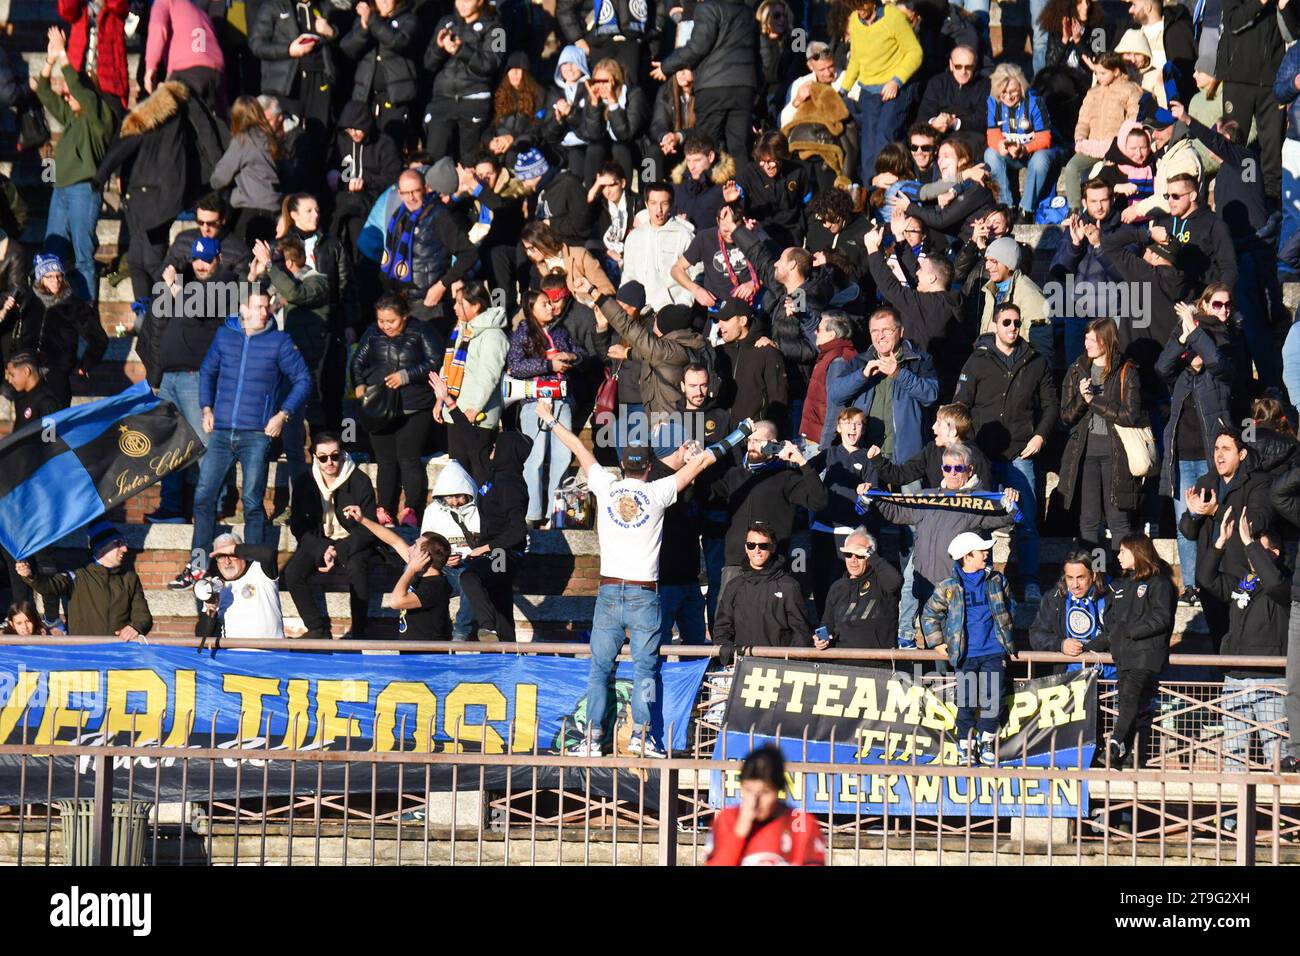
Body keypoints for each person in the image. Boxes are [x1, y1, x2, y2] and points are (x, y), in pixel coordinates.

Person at [539, 409, 723, 758]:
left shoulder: (606, 485)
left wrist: (550, 419)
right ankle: (641, 735)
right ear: (649, 467)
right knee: (645, 671)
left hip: (609, 591)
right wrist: (740, 434)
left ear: (623, 468)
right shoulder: (656, 493)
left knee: (600, 670)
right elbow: (700, 465)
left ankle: (592, 738)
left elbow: (578, 445)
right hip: (644, 593)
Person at [171, 288, 311, 589]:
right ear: (243, 309)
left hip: (256, 434)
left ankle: (258, 568)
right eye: (259, 307)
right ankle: (198, 567)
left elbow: (303, 380)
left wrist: (282, 415)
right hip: (221, 431)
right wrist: (206, 408)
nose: (265, 312)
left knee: (252, 501)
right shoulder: (225, 336)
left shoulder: (279, 341)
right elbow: (207, 371)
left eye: (267, 307)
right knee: (204, 496)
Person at [954, 302, 1060, 602]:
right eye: (1006, 322)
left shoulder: (1036, 361)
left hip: (1020, 453)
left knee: (1025, 522)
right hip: (982, 457)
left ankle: (1029, 582)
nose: (1012, 327)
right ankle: (978, 583)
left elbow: (1052, 405)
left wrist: (1040, 436)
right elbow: (961, 404)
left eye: (1016, 322)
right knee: (978, 522)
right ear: (995, 325)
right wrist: (968, 446)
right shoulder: (976, 361)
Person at [862, 442, 1018, 642]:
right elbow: (896, 511)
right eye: (947, 468)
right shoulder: (927, 497)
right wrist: (872, 495)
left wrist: (1011, 502)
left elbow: (1004, 516)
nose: (952, 473)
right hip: (926, 589)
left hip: (957, 594)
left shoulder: (978, 500)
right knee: (933, 658)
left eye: (957, 468)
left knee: (954, 657)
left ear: (969, 470)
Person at [428, 370, 534, 642]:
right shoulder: (489, 473)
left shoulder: (512, 485)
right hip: (491, 550)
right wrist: (450, 401)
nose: (490, 449)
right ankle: (506, 646)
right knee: (500, 602)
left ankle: (487, 629)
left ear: (508, 452)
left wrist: (483, 549)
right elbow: (471, 440)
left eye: (497, 447)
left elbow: (516, 533)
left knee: (470, 578)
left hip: (506, 554)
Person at [143, 236, 231, 522]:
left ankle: (213, 505)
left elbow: (202, 308)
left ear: (218, 259)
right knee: (170, 445)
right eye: (197, 259)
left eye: (207, 259)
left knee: (205, 444)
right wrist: (155, 377)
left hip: (197, 378)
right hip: (169, 377)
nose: (202, 265)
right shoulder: (185, 285)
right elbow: (158, 331)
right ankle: (171, 507)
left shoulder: (224, 286)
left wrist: (173, 288)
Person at [1197, 507, 1289, 774]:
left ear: (1274, 553)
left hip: (1269, 680)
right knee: (1234, 757)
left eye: (1257, 550)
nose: (1251, 555)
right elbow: (1206, 579)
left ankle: (1277, 815)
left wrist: (1249, 542)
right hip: (1235, 678)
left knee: (1277, 756)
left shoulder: (1285, 584)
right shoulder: (1246, 581)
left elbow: (1273, 584)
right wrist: (1220, 542)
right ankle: (1230, 817)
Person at [1156, 296, 1232, 606]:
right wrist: (1184, 334)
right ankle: (1190, 585)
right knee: (1184, 524)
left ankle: (1213, 580)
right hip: (1181, 461)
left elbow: (1215, 359)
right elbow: (1162, 367)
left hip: (1211, 458)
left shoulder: (1220, 365)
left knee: (1213, 519)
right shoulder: (1181, 376)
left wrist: (1195, 329)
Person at [34, 27, 115, 304]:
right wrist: (50, 60)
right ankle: (51, 312)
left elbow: (81, 89)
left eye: (70, 93)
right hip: (61, 190)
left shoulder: (99, 117)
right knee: (51, 253)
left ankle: (85, 318)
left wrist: (65, 55)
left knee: (83, 255)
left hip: (83, 191)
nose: (67, 96)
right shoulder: (71, 118)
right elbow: (44, 92)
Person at [920, 530, 1015, 766]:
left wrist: (1007, 636)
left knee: (993, 699)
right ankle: (966, 745)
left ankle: (987, 741)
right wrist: (938, 643)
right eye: (981, 551)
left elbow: (1009, 607)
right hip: (965, 655)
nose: (986, 554)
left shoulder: (996, 580)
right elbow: (929, 614)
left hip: (993, 651)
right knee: (966, 701)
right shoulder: (949, 587)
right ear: (967, 557)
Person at [1082, 533, 1176, 768]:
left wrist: (1131, 631)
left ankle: (1114, 743)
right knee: (1131, 704)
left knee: (1130, 699)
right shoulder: (1123, 585)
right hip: (1124, 655)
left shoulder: (1160, 582)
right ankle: (1133, 756)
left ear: (1137, 552)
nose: (1118, 556)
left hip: (1145, 654)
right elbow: (1112, 624)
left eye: (1123, 551)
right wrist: (1088, 646)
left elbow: (1162, 618)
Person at [350, 294, 441, 528]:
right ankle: (384, 508)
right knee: (385, 461)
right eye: (381, 321)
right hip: (380, 408)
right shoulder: (372, 333)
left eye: (391, 321)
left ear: (405, 316)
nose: (386, 326)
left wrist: (407, 375)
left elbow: (435, 360)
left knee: (409, 459)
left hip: (413, 405)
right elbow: (358, 362)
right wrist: (359, 383)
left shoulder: (421, 331)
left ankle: (411, 508)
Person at [1178, 426, 1276, 644]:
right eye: (1216, 449)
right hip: (1209, 576)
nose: (1219, 455)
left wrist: (1215, 511)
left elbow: (1255, 521)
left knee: (1242, 642)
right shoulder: (1206, 481)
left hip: (1240, 577)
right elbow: (1188, 532)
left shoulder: (1258, 482)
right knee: (1217, 643)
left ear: (1241, 454)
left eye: (1226, 449)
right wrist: (1193, 514)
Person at [710, 420, 828, 596]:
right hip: (735, 565)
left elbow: (819, 502)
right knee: (728, 621)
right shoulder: (735, 475)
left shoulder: (787, 477)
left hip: (771, 566)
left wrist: (802, 462)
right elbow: (706, 494)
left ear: (773, 444)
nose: (752, 445)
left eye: (758, 441)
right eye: (749, 440)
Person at [1057, 318, 1146, 552]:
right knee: (1088, 520)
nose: (1086, 343)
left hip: (1116, 451)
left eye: (1092, 339)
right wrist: (1081, 399)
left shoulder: (1127, 370)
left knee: (1118, 520)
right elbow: (1066, 417)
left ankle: (1119, 577)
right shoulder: (1077, 369)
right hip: (1085, 453)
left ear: (1106, 341)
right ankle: (1093, 577)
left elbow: (1130, 415)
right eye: (1085, 337)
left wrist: (1093, 401)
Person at [285, 432, 378, 642]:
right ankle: (317, 628)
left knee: (357, 569)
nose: (330, 462)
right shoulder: (304, 481)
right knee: (292, 572)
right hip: (319, 539)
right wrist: (321, 548)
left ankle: (360, 630)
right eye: (323, 457)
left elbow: (369, 528)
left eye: (335, 456)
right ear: (315, 457)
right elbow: (298, 525)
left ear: (342, 454)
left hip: (353, 539)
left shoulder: (360, 480)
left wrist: (338, 550)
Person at [507, 288, 587, 526]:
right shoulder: (523, 333)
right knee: (535, 458)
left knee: (562, 457)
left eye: (551, 303)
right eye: (544, 304)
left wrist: (571, 357)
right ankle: (532, 515)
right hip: (534, 401)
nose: (551, 307)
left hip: (562, 400)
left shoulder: (561, 331)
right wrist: (548, 364)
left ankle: (556, 514)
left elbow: (582, 354)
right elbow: (515, 366)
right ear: (530, 309)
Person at [825, 307, 940, 470]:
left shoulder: (919, 360)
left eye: (886, 330)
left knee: (909, 496)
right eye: (875, 331)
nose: (880, 337)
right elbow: (835, 395)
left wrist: (898, 373)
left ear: (900, 332)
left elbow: (931, 395)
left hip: (908, 458)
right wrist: (862, 375)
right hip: (867, 456)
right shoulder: (860, 362)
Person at [655, 0, 759, 160]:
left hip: (714, 88)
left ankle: (705, 185)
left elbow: (697, 47)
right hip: (744, 87)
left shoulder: (707, 8)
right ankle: (741, 185)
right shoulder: (747, 12)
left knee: (705, 146)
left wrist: (667, 66)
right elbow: (757, 55)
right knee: (740, 148)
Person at [2, 254, 107, 410]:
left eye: (59, 276)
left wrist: (85, 364)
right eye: (49, 277)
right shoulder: (25, 300)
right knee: (26, 426)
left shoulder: (74, 305)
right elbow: (6, 331)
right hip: (26, 372)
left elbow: (99, 338)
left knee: (54, 426)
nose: (56, 281)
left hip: (56, 372)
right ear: (40, 279)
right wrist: (5, 312)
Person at [17, 521, 151, 640]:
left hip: (117, 656)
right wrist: (30, 575)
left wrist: (135, 628)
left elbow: (143, 617)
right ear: (102, 547)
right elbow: (50, 586)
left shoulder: (130, 578)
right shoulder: (78, 575)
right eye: (118, 543)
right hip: (84, 656)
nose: (125, 549)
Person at [837, 0, 924, 185]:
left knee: (886, 135)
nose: (859, 10)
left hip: (895, 88)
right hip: (869, 91)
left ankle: (895, 184)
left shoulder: (893, 17)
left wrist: (896, 81)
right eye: (855, 7)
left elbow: (915, 52)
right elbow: (856, 59)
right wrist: (843, 89)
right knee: (868, 145)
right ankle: (871, 190)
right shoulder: (854, 21)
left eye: (862, 5)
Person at [705, 744, 825, 865]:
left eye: (765, 792)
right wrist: (739, 832)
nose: (755, 801)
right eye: (748, 790)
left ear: (779, 790)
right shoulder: (728, 819)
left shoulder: (801, 824)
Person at [713, 520, 814, 662]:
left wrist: (791, 664)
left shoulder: (789, 586)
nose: (757, 550)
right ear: (746, 548)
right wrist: (730, 658)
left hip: (778, 669)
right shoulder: (734, 586)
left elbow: (801, 632)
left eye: (763, 546)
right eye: (751, 545)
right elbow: (722, 629)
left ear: (772, 548)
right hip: (742, 668)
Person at [435, 281, 511, 462]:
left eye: (460, 303)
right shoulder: (462, 330)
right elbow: (448, 366)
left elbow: (488, 376)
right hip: (455, 411)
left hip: (477, 417)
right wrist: (440, 399)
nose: (454, 307)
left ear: (476, 305)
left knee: (476, 473)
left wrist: (475, 408)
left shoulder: (493, 335)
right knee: (458, 471)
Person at [422, 0, 505, 161]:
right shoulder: (446, 23)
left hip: (474, 100)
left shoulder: (497, 28)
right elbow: (428, 63)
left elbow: (492, 65)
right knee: (435, 156)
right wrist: (439, 49)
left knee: (470, 160)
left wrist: (461, 50)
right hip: (442, 100)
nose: (462, 4)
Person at [1062, 54, 1143, 211]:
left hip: (1116, 147)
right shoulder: (1093, 93)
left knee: (1107, 174)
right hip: (1092, 145)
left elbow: (1134, 119)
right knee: (1072, 167)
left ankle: (1109, 207)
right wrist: (1080, 139)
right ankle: (1074, 209)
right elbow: (1083, 121)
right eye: (1096, 73)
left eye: (1103, 73)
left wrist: (1120, 146)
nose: (1099, 77)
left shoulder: (1130, 90)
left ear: (1116, 71)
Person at [983, 62, 1057, 223]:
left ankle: (1026, 209)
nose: (1008, 97)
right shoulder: (993, 101)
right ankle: (1006, 207)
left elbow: (1045, 138)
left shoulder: (1035, 101)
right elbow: (992, 133)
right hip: (1009, 154)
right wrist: (1000, 145)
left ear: (1021, 87)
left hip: (1033, 152)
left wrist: (1024, 149)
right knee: (990, 154)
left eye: (1013, 91)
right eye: (1003, 93)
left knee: (1041, 159)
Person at [417, 460, 483, 642]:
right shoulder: (432, 511)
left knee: (469, 581)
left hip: (470, 565)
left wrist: (468, 556)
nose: (454, 501)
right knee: (418, 580)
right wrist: (443, 560)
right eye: (449, 496)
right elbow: (426, 543)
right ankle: (432, 629)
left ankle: (461, 631)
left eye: (459, 496)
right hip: (441, 566)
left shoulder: (480, 511)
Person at [339, 0, 419, 146]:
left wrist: (372, 21)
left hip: (395, 96)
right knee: (365, 143)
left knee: (392, 142)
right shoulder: (364, 19)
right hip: (366, 94)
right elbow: (347, 48)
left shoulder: (408, 18)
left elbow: (399, 42)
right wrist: (363, 28)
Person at [1027, 549, 1115, 680]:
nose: (1075, 585)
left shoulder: (1111, 594)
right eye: (1070, 578)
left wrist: (1092, 646)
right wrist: (1060, 644)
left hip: (1109, 677)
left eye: (1081, 578)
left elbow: (1121, 630)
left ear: (1094, 576)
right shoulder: (1054, 598)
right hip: (1069, 680)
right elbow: (1036, 635)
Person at [819, 528, 904, 656]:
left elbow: (895, 582)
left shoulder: (882, 582)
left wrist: (870, 553)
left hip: (877, 664)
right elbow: (826, 624)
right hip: (841, 663)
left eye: (859, 555)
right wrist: (820, 638)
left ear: (869, 556)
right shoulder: (837, 587)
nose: (853, 560)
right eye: (848, 554)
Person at [618, 182, 696, 310]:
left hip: (672, 312)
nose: (659, 210)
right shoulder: (634, 237)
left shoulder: (684, 235)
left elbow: (696, 274)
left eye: (664, 203)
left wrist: (683, 305)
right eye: (653, 203)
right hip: (639, 312)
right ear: (646, 204)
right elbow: (628, 276)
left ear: (670, 205)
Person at [713, 299, 790, 428]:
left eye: (725, 320)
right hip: (719, 436)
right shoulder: (718, 353)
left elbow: (778, 401)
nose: (720, 325)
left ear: (743, 321)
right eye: (718, 320)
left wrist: (767, 435)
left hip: (753, 439)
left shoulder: (767, 352)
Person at [143, 0, 226, 109]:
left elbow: (158, 27)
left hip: (188, 70)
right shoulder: (198, 10)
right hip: (216, 69)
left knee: (180, 118)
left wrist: (150, 67)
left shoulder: (164, 2)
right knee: (213, 119)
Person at [800, 311, 859, 452]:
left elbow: (835, 406)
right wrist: (800, 313)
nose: (815, 333)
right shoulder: (830, 353)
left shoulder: (838, 360)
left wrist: (825, 446)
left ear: (831, 335)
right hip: (814, 438)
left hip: (820, 442)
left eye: (819, 329)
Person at [918, 46, 990, 146]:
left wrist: (954, 123)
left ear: (975, 66)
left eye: (968, 67)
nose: (963, 71)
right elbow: (923, 114)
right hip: (937, 133)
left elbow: (983, 120)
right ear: (951, 65)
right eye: (958, 66)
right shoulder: (937, 83)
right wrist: (934, 122)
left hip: (969, 136)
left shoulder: (985, 86)